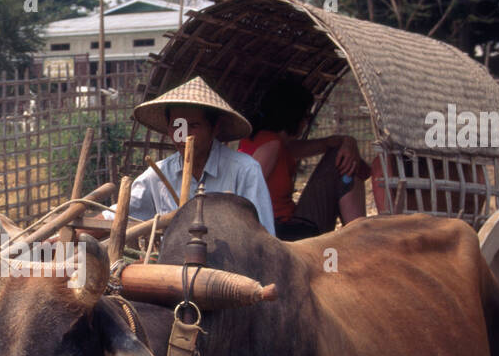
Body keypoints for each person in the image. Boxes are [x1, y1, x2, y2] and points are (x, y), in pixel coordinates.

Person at [125, 77, 276, 236]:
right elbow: (115, 216)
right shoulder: (158, 174)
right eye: (177, 126)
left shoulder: (244, 170)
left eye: (194, 126)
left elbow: (265, 237)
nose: (184, 135)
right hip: (170, 261)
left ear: (215, 128)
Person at [238, 77, 370, 241]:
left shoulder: (264, 141)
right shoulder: (272, 146)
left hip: (285, 226)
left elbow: (324, 144)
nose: (307, 123)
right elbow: (247, 191)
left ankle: (360, 232)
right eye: (307, 116)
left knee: (343, 156)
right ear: (295, 115)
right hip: (287, 231)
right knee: (340, 160)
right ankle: (360, 237)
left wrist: (349, 142)